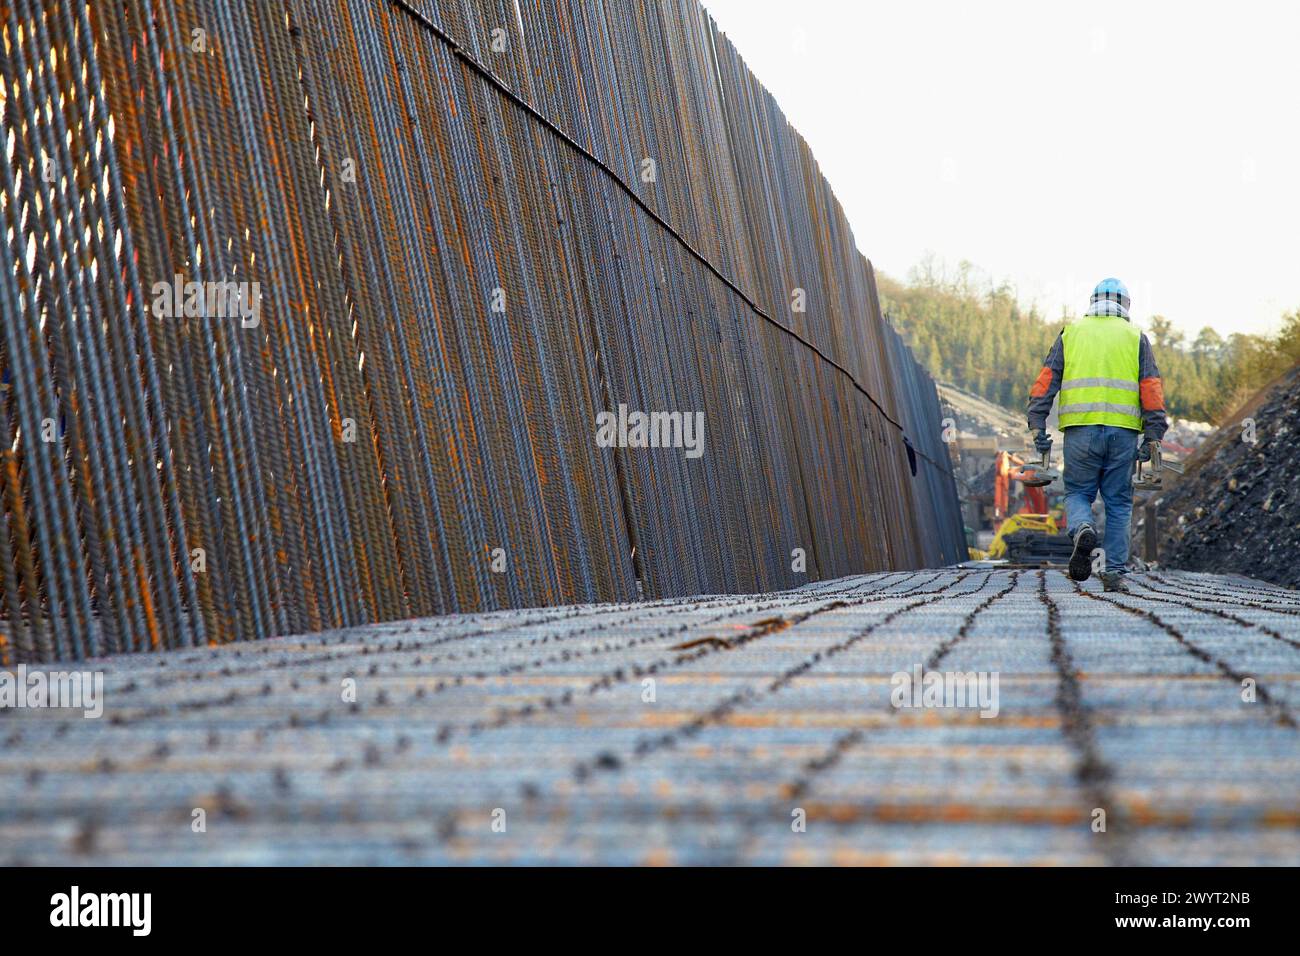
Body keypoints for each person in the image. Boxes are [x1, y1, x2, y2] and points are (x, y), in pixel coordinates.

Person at [1026, 278, 1168, 591]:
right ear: (1125, 305)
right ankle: (1114, 574)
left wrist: (1037, 422)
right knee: (1118, 503)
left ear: (1092, 303)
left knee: (1078, 493)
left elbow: (1046, 380)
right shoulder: (1135, 337)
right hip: (1122, 435)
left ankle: (1082, 529)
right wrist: (1153, 434)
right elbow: (1151, 389)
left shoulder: (1071, 333)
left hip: (1080, 431)